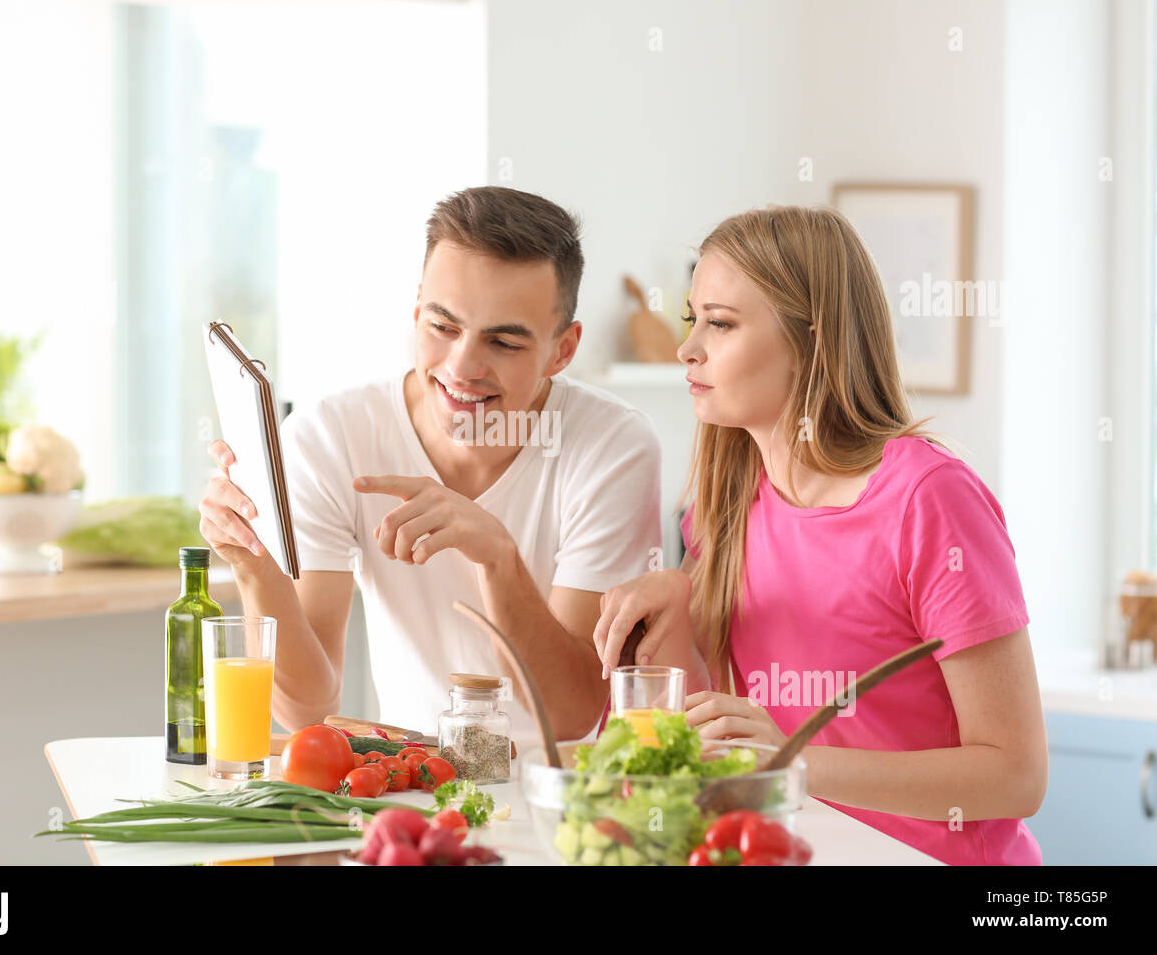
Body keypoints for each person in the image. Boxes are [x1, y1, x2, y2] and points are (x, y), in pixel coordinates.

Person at [591, 204, 1046, 865]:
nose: (688, 348)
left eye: (720, 324)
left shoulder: (928, 500)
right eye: (694, 319)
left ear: (813, 338)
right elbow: (725, 740)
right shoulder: (725, 504)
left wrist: (790, 759)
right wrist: (672, 616)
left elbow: (1015, 776)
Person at [200, 185, 661, 745]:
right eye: (443, 328)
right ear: (417, 311)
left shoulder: (613, 445)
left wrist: (498, 560)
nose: (462, 366)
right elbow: (309, 711)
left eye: (505, 343)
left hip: (564, 801)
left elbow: (569, 717)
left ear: (562, 351)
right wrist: (251, 560)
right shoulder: (331, 435)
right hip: (411, 789)